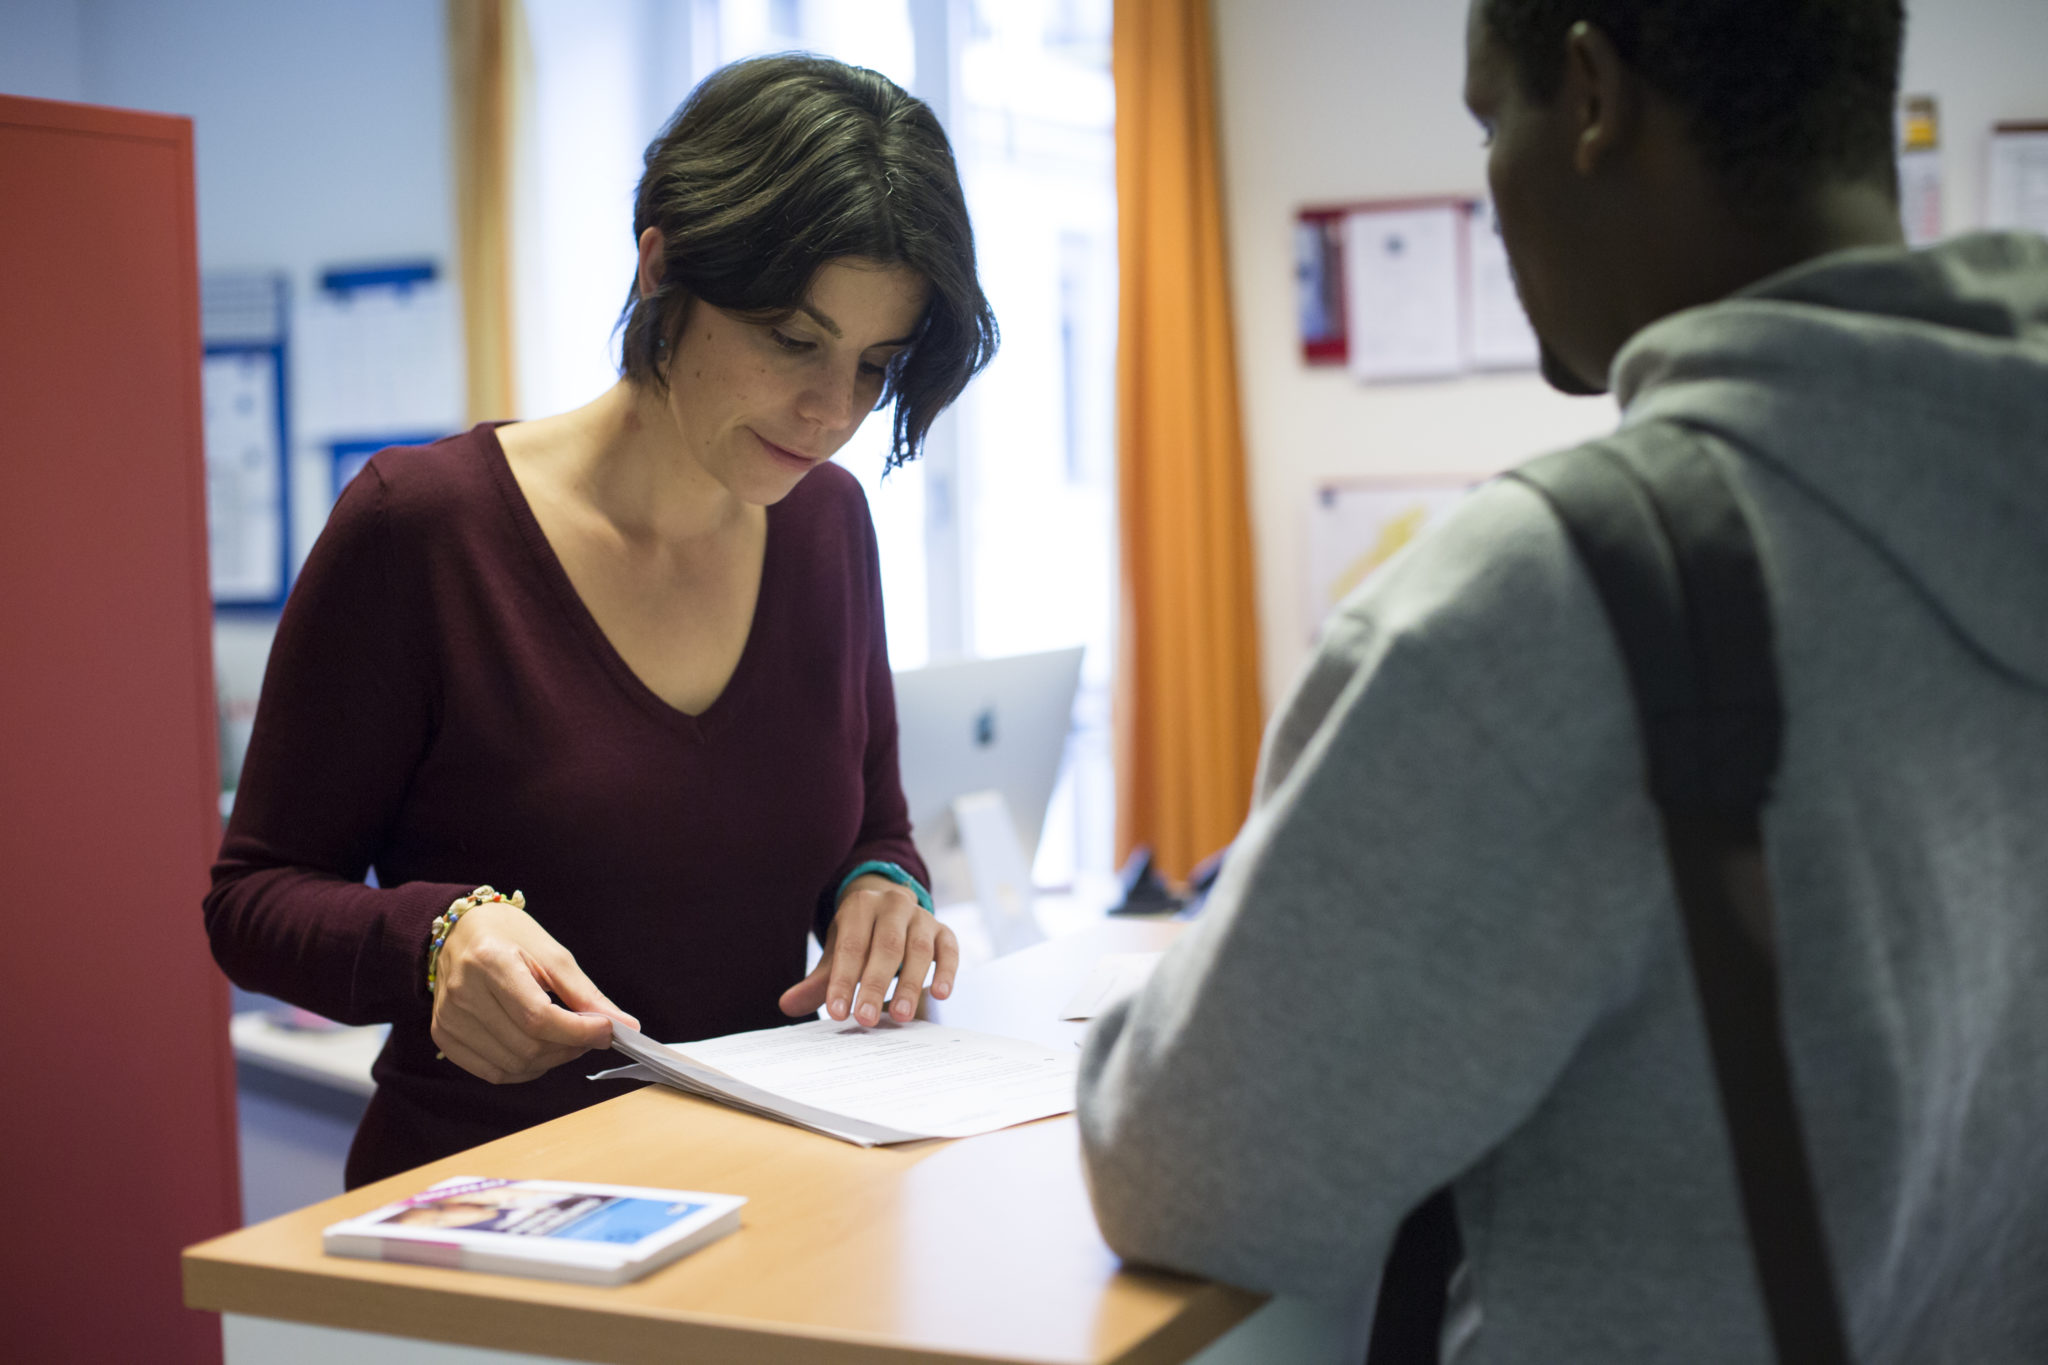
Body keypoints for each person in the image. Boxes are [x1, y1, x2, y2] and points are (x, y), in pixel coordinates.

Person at [1077, 1, 2048, 1360]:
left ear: (1590, 95)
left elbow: (1186, 1172)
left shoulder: (1560, 596)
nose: (1491, 190)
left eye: (1490, 120)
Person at [206, 54, 998, 1188]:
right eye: (791, 337)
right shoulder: (420, 526)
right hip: (491, 1209)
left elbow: (874, 826)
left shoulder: (829, 523)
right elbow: (252, 900)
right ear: (662, 266)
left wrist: (883, 892)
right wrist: (438, 936)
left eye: (874, 365)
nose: (832, 411)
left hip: (763, 1190)